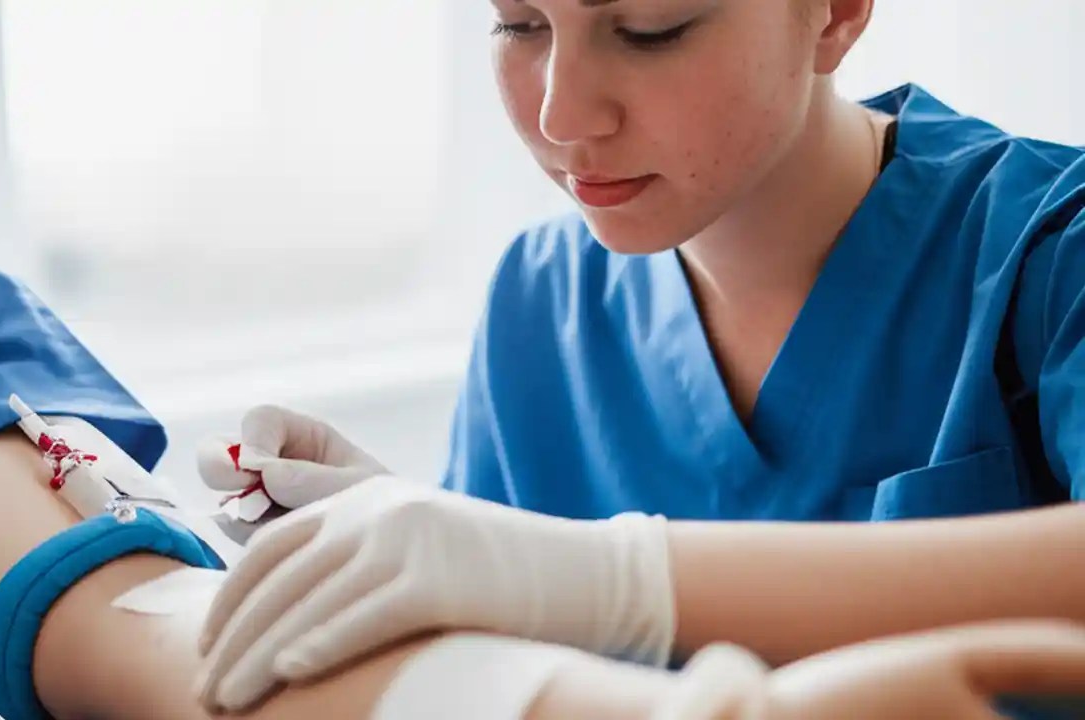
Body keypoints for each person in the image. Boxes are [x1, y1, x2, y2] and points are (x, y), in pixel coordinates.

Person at [192, 0, 1085, 713]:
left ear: (839, 11)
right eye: (519, 24)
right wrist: (395, 547)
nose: (562, 113)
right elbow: (521, 671)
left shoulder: (1051, 250)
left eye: (648, 31)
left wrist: (609, 578)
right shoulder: (542, 304)